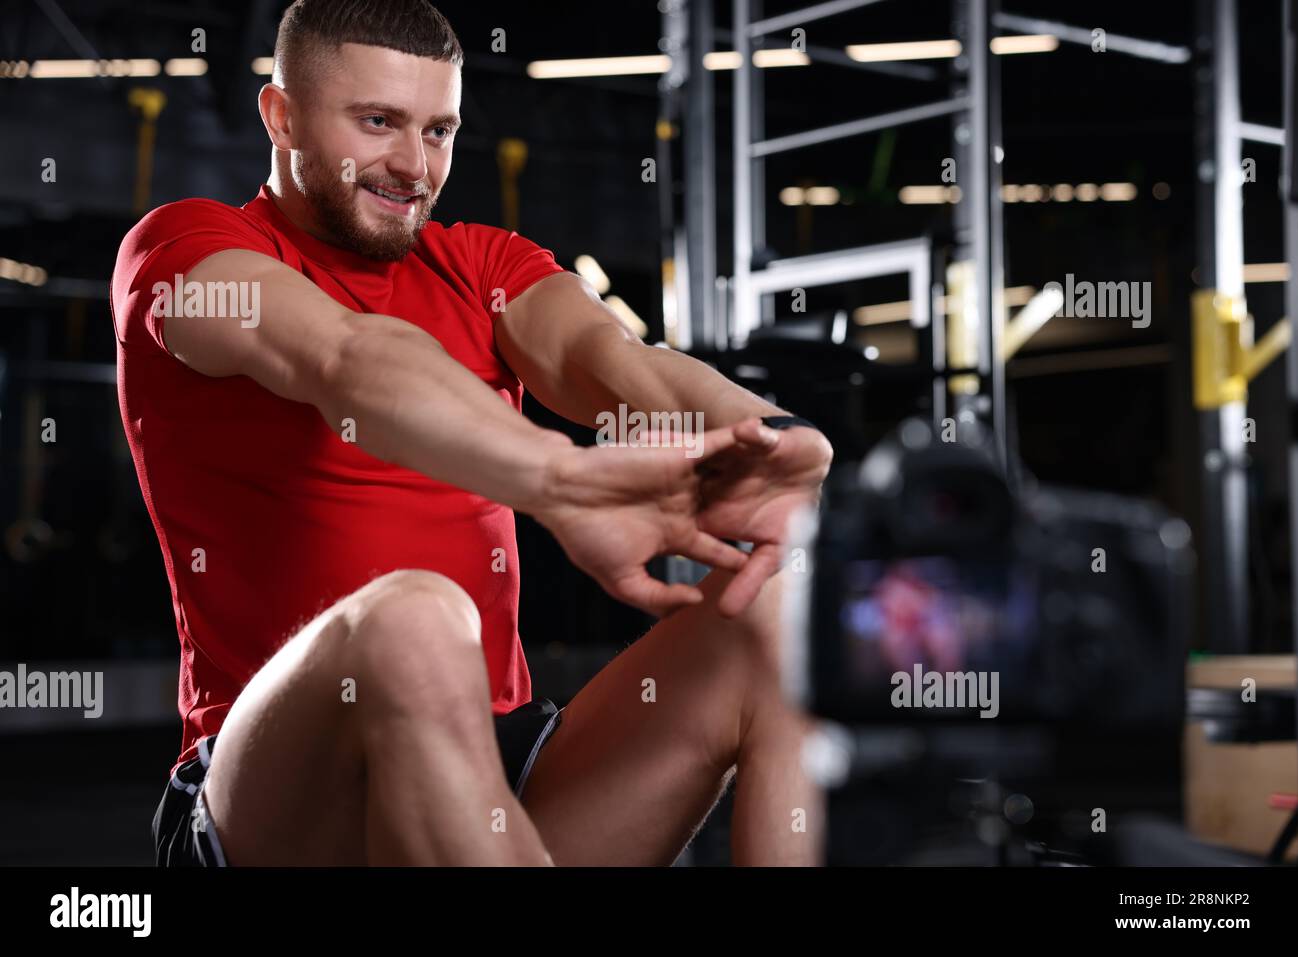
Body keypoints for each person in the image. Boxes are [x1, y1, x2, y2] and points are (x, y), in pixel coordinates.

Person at [112, 0, 833, 866]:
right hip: (282, 802)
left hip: (499, 775)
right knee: (415, 617)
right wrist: (563, 483)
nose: (414, 165)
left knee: (776, 607)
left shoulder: (481, 264)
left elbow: (611, 362)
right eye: (378, 122)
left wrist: (764, 436)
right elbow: (347, 358)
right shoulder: (189, 252)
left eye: (439, 130)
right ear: (282, 116)